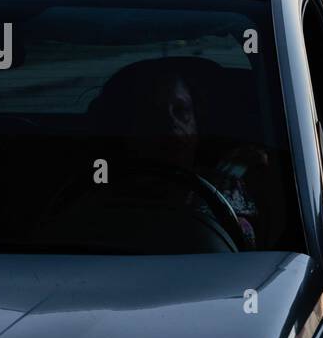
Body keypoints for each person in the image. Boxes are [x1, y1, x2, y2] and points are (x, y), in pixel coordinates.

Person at [86, 56, 272, 249]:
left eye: (181, 110)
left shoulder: (227, 185)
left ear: (197, 120)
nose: (170, 124)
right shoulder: (96, 196)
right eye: (151, 114)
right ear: (125, 127)